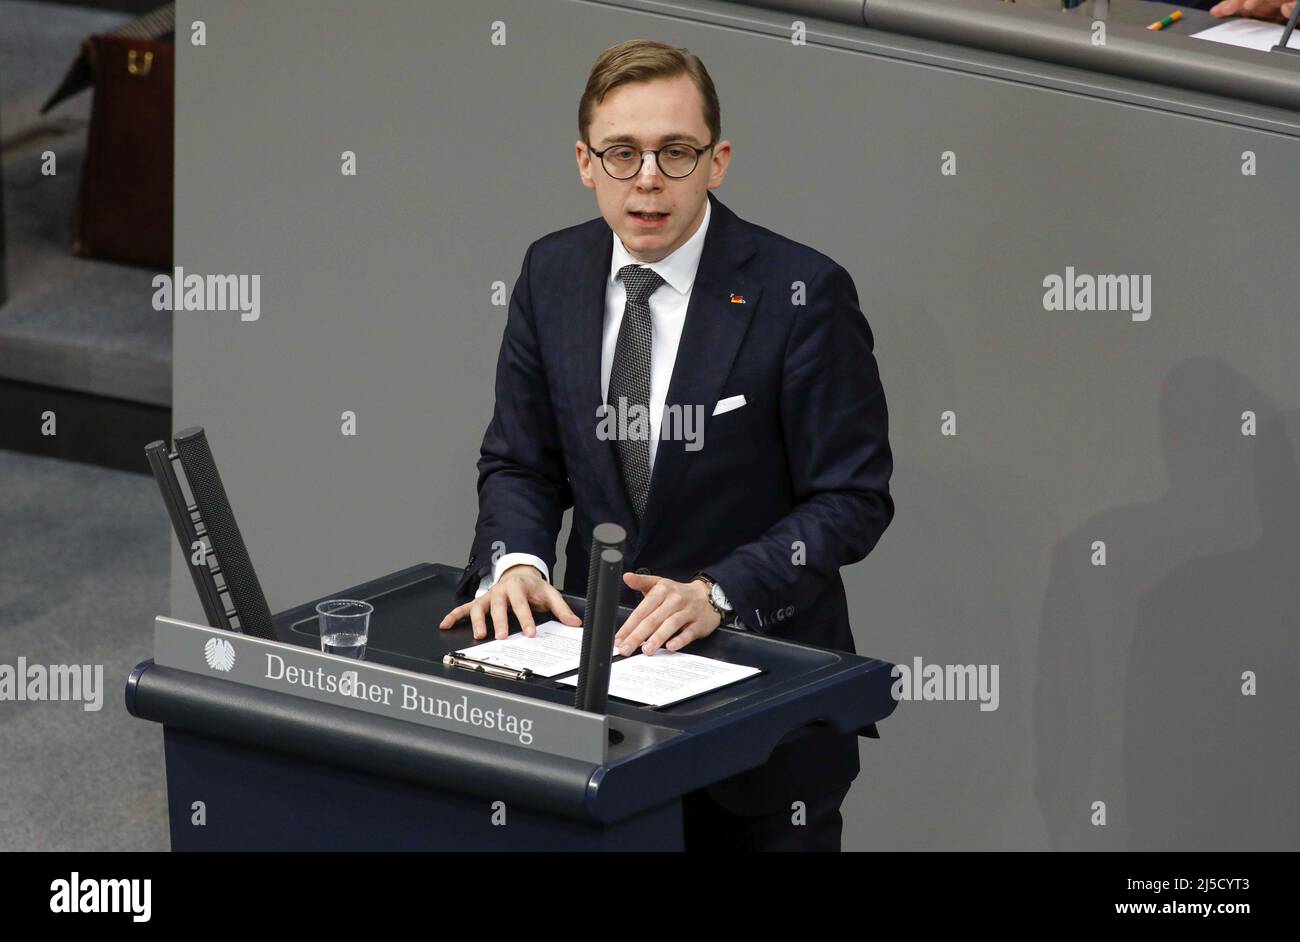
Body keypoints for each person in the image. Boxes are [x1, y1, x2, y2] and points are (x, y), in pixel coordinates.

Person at [439, 38, 894, 851]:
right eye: (622, 153)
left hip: (758, 726)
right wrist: (515, 561)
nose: (647, 177)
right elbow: (520, 461)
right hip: (593, 717)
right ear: (586, 162)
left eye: (675, 152)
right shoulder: (553, 273)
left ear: (716, 161)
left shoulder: (801, 295)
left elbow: (851, 499)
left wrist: (716, 591)